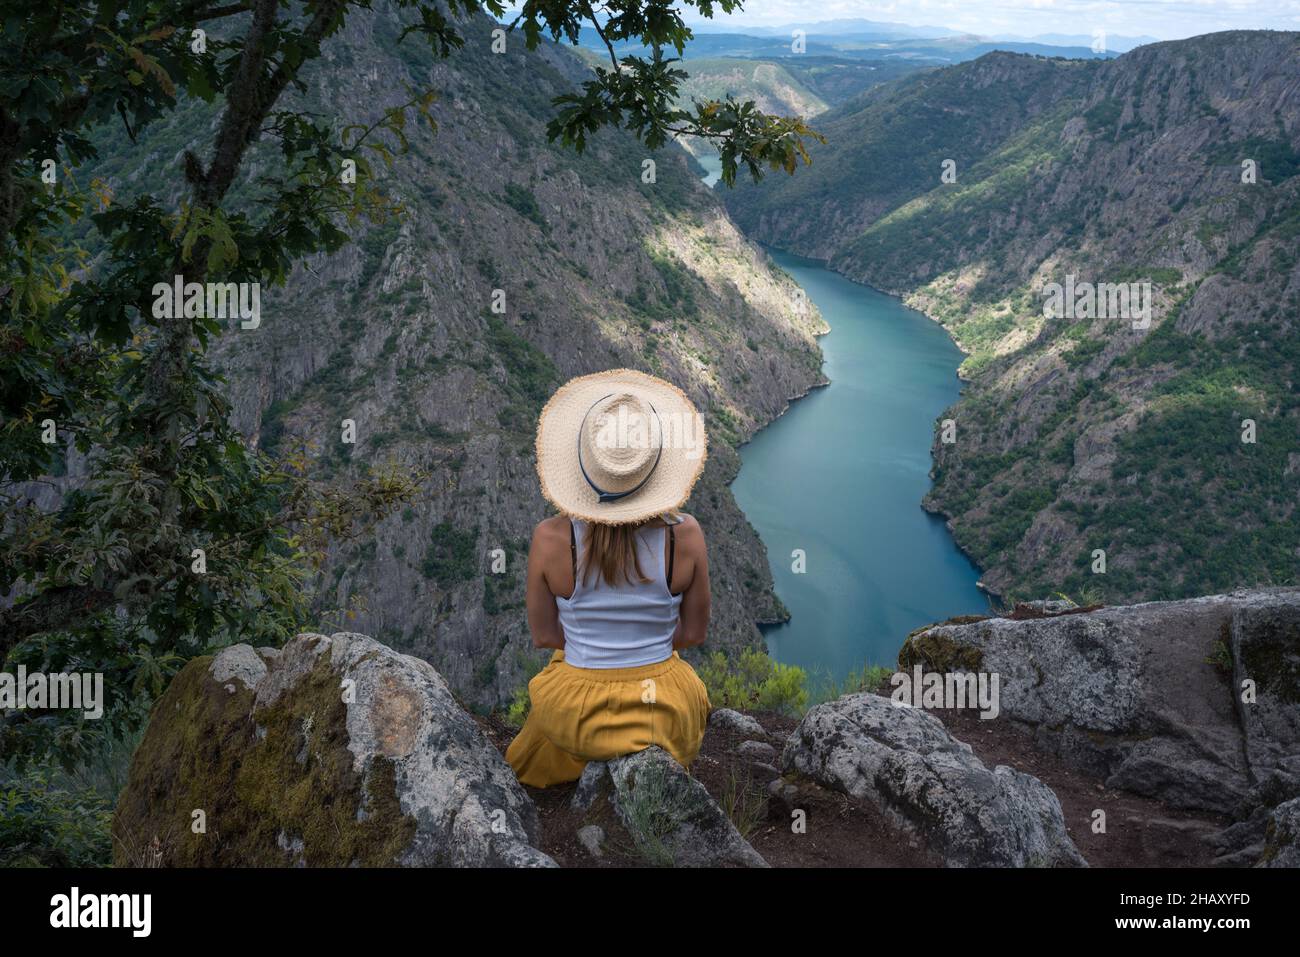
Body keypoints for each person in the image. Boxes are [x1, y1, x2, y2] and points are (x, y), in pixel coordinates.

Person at [506, 369, 713, 788]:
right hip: (665, 715)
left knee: (551, 703)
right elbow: (693, 632)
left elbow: (545, 636)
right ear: (653, 471)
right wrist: (643, 649)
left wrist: (595, 653)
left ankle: (569, 774)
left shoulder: (550, 539)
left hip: (576, 715)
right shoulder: (684, 536)